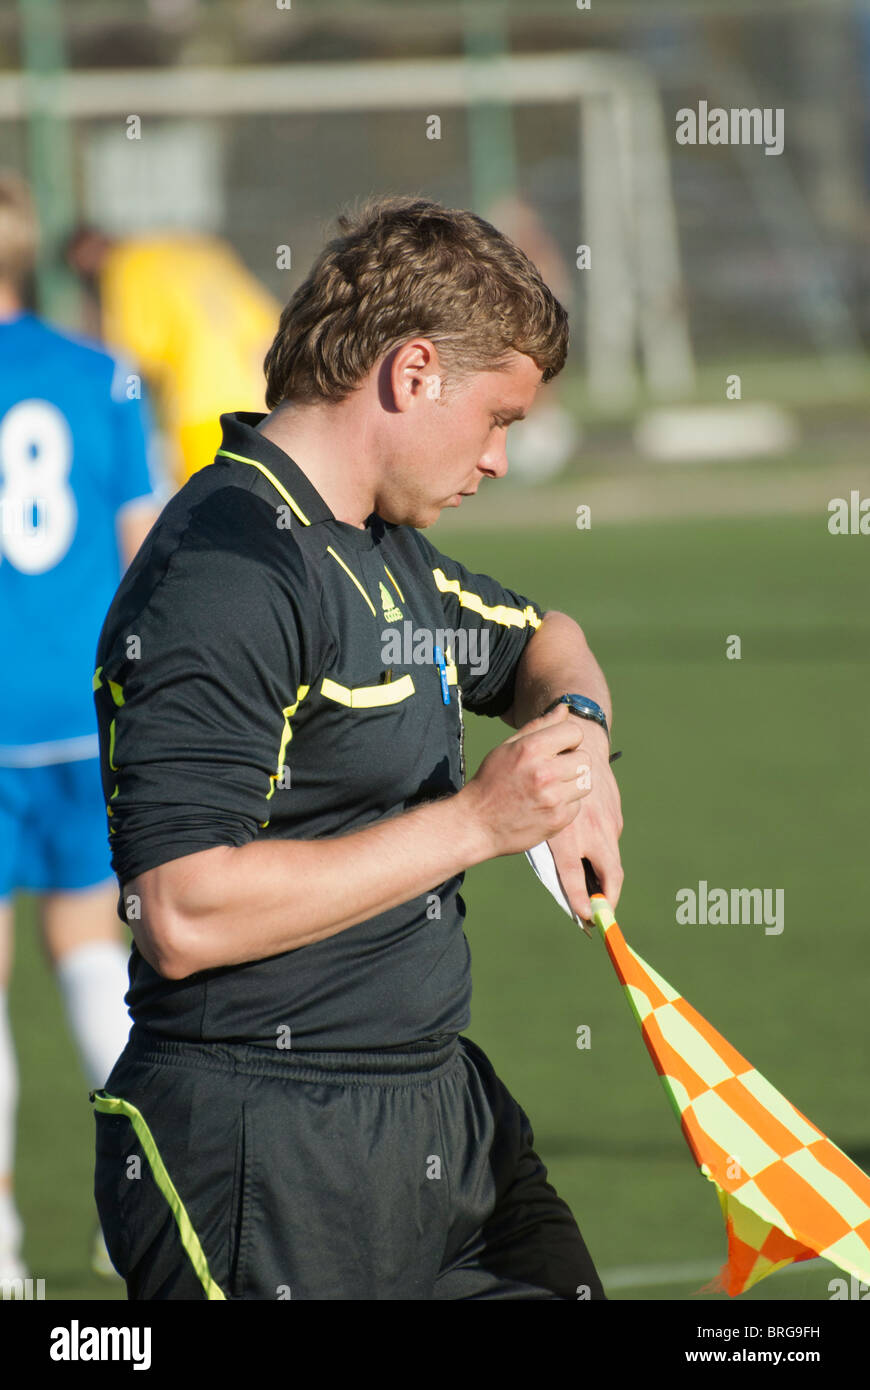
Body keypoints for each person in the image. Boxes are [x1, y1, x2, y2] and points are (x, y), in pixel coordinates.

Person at [91, 194, 624, 1300]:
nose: (498, 461)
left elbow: (547, 643)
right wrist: (479, 822)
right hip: (262, 1140)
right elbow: (182, 911)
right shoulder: (227, 575)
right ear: (413, 370)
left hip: (435, 1111)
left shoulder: (385, 549)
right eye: (498, 420)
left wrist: (578, 744)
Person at [0, 172, 165, 1281]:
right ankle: (136, 1215)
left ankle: (1, 1253)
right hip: (84, 713)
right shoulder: (99, 374)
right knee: (89, 944)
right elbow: (151, 545)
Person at [66, 227, 281, 489]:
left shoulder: (124, 266)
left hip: (201, 405)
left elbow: (136, 350)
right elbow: (265, 322)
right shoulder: (200, 250)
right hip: (259, 401)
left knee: (210, 510)